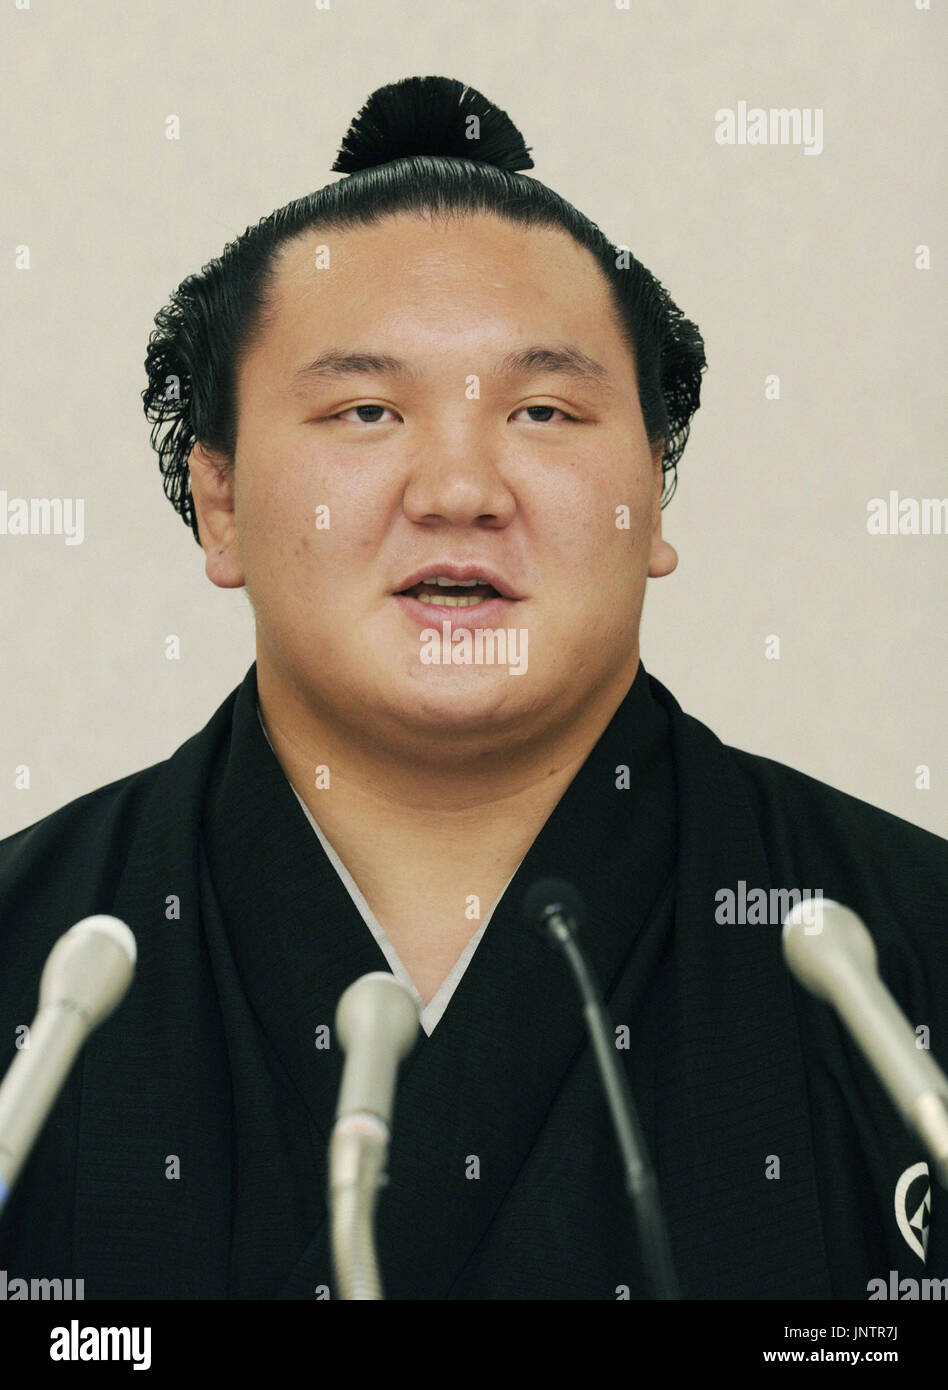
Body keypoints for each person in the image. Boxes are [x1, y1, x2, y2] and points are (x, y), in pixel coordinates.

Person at [0, 75, 945, 1301]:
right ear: (219, 499)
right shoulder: (42, 963)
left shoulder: (898, 958)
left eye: (543, 410)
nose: (459, 488)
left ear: (654, 489)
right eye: (367, 408)